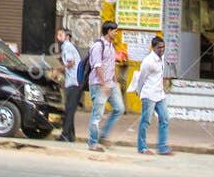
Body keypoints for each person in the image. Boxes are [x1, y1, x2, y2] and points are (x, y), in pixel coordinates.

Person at [130, 35, 172, 155]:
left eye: (163, 47)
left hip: (160, 94)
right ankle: (142, 147)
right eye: (159, 48)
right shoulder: (148, 61)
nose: (162, 50)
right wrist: (138, 91)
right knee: (146, 121)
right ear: (153, 48)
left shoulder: (162, 59)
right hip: (149, 95)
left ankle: (162, 147)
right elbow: (142, 78)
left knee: (164, 119)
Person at [86, 21, 123, 152]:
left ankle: (103, 135)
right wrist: (104, 83)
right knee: (97, 115)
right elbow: (97, 66)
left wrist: (115, 81)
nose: (116, 33)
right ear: (108, 31)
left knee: (119, 108)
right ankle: (92, 142)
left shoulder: (111, 46)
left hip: (111, 84)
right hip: (99, 85)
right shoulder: (98, 46)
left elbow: (111, 66)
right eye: (115, 31)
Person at [57, 27, 83, 142]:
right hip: (74, 81)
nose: (58, 37)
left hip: (73, 81)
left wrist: (58, 70)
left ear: (67, 37)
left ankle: (65, 135)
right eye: (58, 35)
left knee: (69, 109)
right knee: (70, 108)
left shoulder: (66, 46)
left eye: (61, 35)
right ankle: (70, 135)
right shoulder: (69, 46)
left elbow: (71, 62)